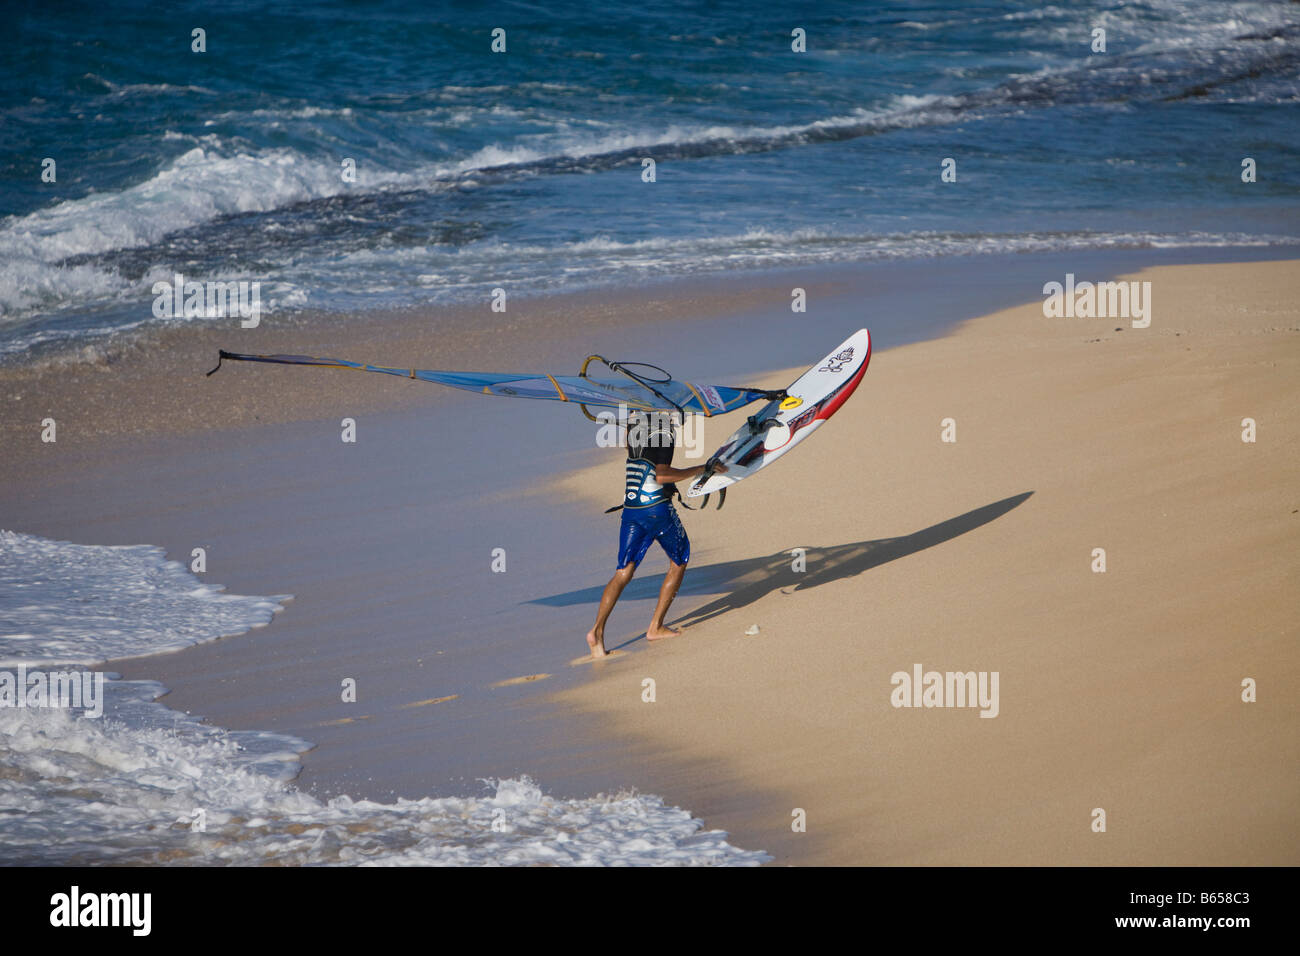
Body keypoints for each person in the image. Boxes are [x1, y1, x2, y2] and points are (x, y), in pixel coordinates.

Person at [586, 410, 724, 659]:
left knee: (623, 571)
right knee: (679, 559)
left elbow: (636, 453)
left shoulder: (633, 431)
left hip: (631, 510)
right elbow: (662, 475)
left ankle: (596, 632)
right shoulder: (664, 432)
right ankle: (655, 627)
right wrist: (699, 469)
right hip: (656, 509)